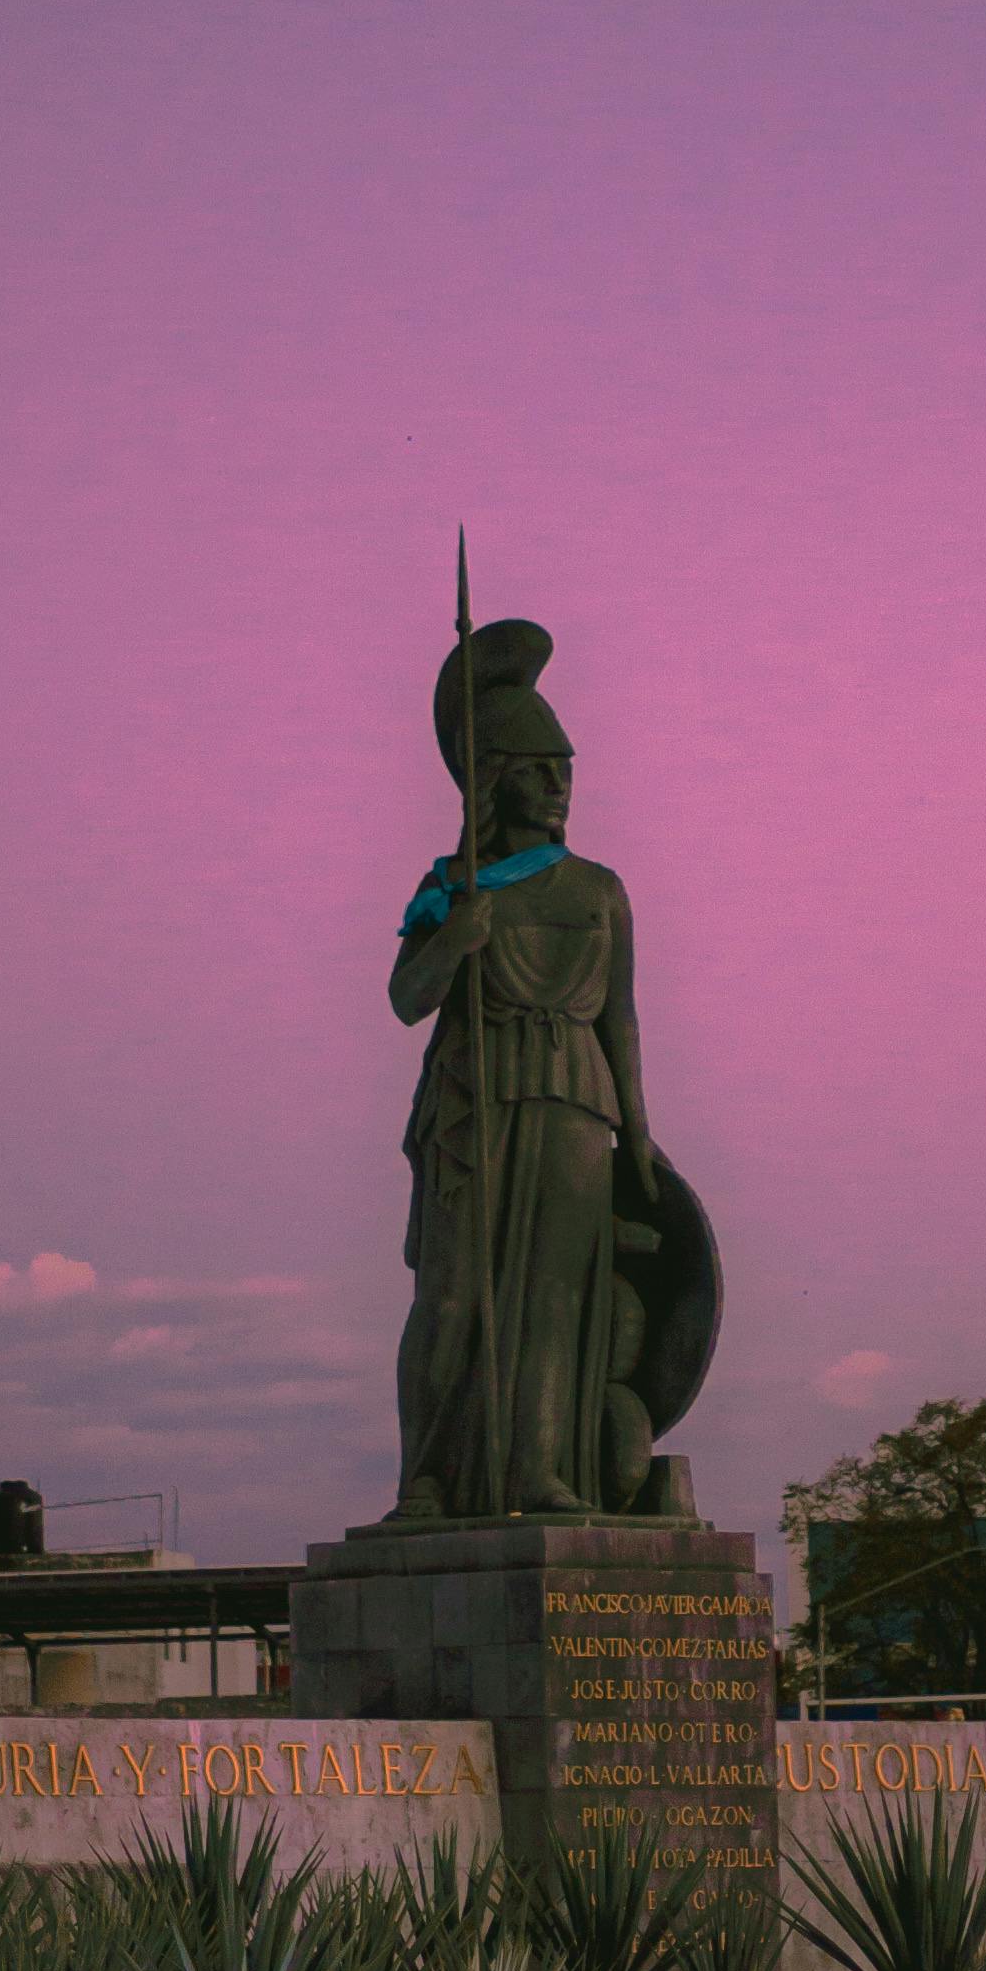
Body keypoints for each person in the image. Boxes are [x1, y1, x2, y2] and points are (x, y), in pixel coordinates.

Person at [388, 621, 656, 1519]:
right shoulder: (451, 888)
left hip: (575, 1101)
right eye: (539, 769)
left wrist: (642, 1139)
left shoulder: (600, 889)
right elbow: (405, 998)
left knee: (551, 1301)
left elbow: (621, 1021)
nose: (558, 787)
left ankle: (541, 1470)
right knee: (454, 1295)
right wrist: (457, 940)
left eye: (566, 769)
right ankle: (424, 1480)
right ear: (494, 777)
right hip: (476, 1099)